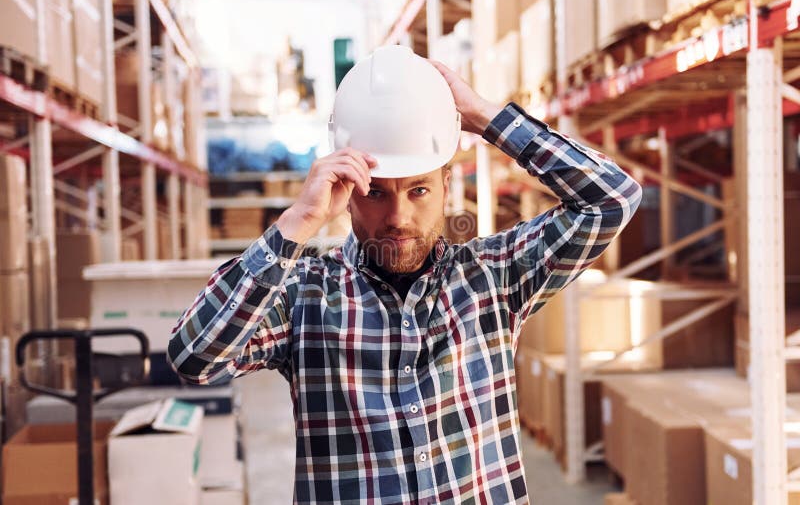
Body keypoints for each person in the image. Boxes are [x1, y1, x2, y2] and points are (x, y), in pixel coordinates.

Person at [169, 45, 642, 504]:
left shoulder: (493, 278)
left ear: (446, 187)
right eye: (376, 193)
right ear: (346, 193)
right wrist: (298, 221)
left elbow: (613, 198)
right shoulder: (304, 296)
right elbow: (194, 357)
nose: (398, 217)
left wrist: (487, 119)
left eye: (419, 190)